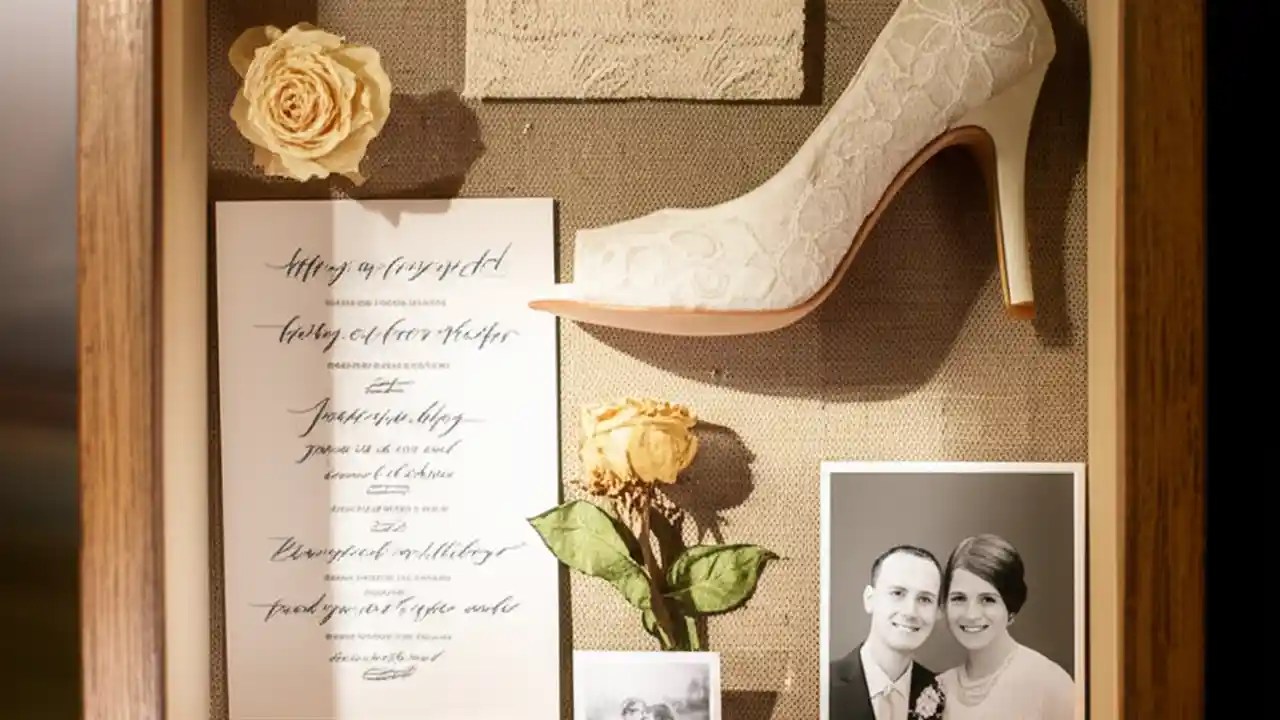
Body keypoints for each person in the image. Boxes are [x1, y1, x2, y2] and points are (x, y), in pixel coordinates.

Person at [938, 534, 1075, 720]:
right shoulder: (939, 689)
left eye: (988, 599)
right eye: (959, 598)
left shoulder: (1049, 684)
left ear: (1010, 606)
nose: (971, 614)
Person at [830, 545, 945, 720]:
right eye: (897, 593)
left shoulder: (945, 695)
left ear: (938, 612)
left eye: (924, 599)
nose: (910, 612)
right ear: (870, 600)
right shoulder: (820, 685)